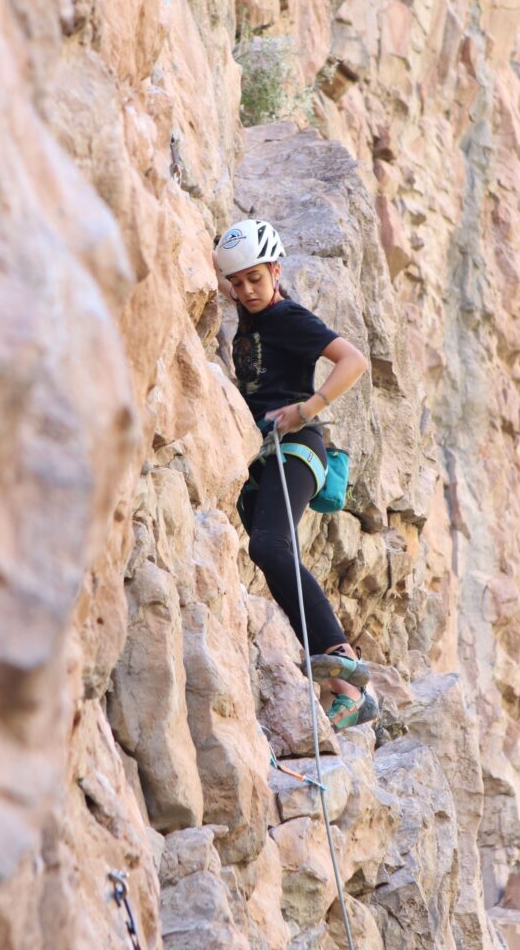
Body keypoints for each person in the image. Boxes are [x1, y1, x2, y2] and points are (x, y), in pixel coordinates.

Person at [215, 218, 374, 731]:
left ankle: (344, 666)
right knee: (268, 550)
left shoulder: (286, 316)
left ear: (276, 271)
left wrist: (307, 409)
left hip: (298, 447)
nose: (245, 291)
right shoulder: (249, 319)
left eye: (255, 279)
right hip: (272, 453)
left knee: (270, 546)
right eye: (236, 283)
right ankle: (345, 686)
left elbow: (353, 360)